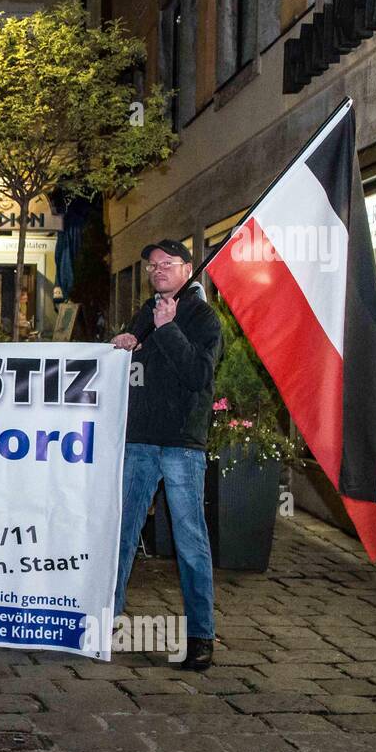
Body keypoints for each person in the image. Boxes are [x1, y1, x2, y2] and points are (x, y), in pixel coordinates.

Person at [111, 238, 223, 671]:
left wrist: (168, 328)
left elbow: (198, 376)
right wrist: (125, 340)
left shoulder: (201, 316)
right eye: (151, 265)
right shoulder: (146, 310)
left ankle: (200, 636)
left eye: (167, 264)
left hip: (180, 444)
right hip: (139, 440)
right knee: (122, 534)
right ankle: (108, 617)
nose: (157, 270)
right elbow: (133, 355)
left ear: (187, 269)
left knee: (190, 539)